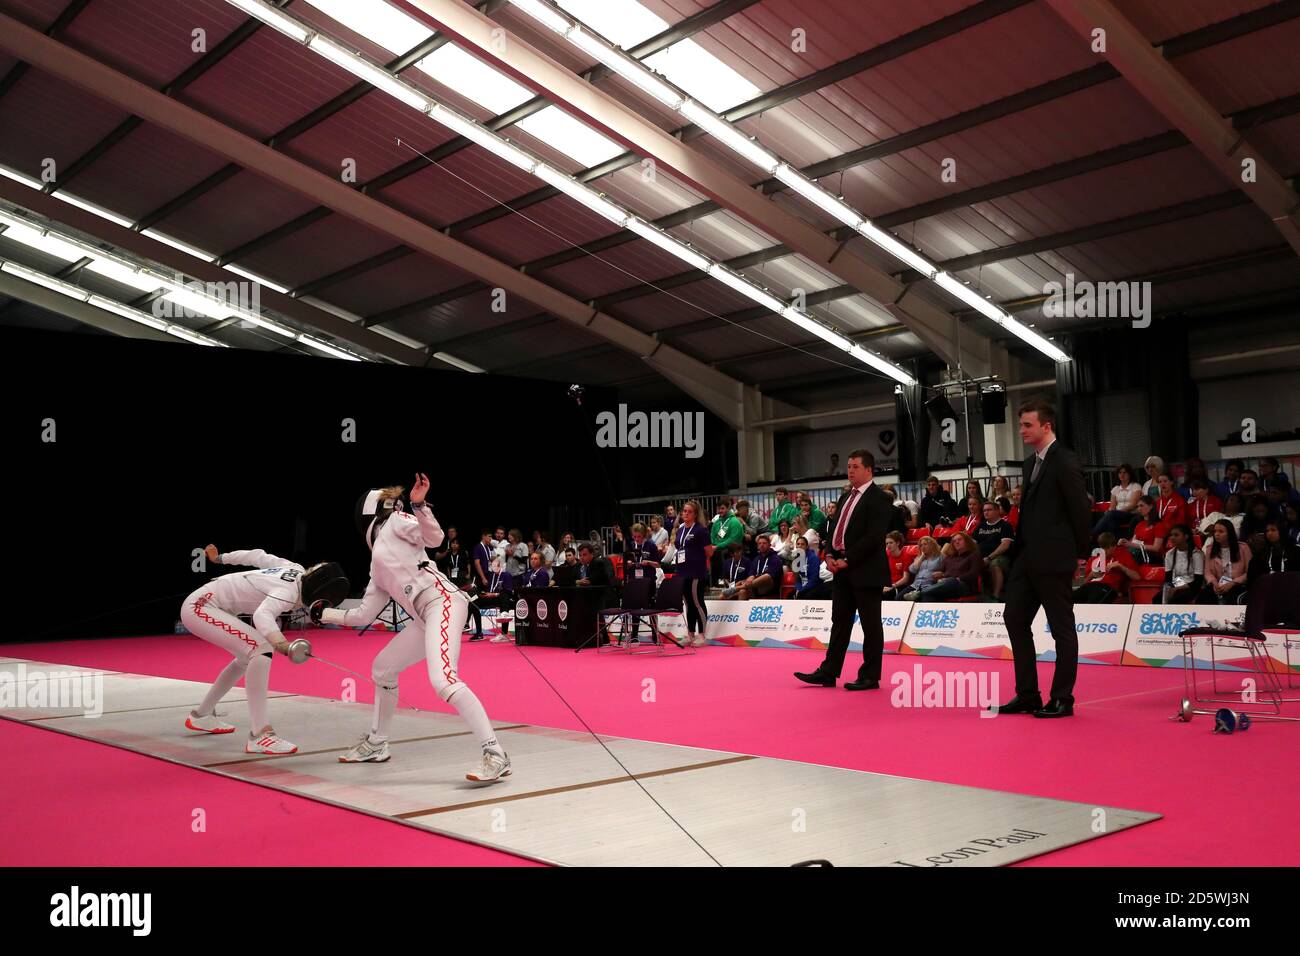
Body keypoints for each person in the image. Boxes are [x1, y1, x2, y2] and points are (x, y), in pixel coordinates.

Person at [321, 477, 509, 781]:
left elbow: (434, 539)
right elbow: (364, 613)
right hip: (425, 618)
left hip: (443, 602)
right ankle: (377, 743)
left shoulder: (396, 520)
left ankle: (495, 753)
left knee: (444, 680)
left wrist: (420, 506)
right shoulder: (377, 566)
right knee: (382, 668)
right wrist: (324, 613)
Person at [181, 545, 349, 754]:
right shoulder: (288, 593)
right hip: (200, 607)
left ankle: (202, 715)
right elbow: (261, 616)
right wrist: (281, 644)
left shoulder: (294, 568)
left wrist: (221, 558)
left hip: (208, 604)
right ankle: (260, 735)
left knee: (246, 658)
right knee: (261, 649)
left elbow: (257, 555)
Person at [995, 399, 1090, 719]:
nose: (1021, 430)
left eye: (1027, 425)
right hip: (1027, 558)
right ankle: (1027, 695)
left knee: (1062, 628)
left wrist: (1080, 555)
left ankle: (1063, 698)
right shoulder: (1029, 463)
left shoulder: (1065, 461)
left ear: (1046, 426)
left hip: (1055, 558)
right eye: (1021, 424)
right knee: (1014, 618)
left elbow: (1080, 510)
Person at [795, 449, 895, 690]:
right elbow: (835, 531)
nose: (850, 470)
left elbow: (874, 537)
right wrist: (829, 554)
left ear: (869, 470)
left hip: (865, 569)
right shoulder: (844, 498)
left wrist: (848, 559)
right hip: (840, 567)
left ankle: (870, 675)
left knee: (871, 624)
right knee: (839, 621)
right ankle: (829, 671)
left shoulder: (879, 498)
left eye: (855, 467)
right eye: (848, 466)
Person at [670, 500, 710, 647]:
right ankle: (690, 633)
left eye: (689, 512)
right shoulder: (680, 529)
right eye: (684, 511)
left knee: (697, 602)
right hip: (682, 571)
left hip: (696, 572)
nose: (685, 514)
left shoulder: (701, 530)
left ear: (695, 514)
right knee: (688, 604)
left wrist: (696, 558)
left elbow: (709, 551)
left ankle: (702, 635)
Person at [909, 531, 983, 601]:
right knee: (929, 595)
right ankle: (927, 612)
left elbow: (974, 573)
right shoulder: (949, 557)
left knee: (951, 580)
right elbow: (941, 573)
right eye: (954, 541)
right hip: (947, 586)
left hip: (965, 586)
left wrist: (958, 579)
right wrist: (939, 577)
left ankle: (920, 592)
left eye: (959, 540)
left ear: (967, 541)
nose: (956, 542)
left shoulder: (974, 555)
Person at [1072, 532, 1139, 603]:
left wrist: (1121, 567)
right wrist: (1091, 575)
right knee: (1069, 600)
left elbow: (1137, 577)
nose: (1104, 551)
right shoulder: (1093, 559)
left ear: (1114, 546)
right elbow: (1081, 584)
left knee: (1092, 602)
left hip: (1106, 587)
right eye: (1102, 548)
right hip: (1089, 586)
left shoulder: (1124, 555)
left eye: (1107, 548)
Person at [1199, 519, 1251, 605]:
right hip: (1218, 584)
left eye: (1221, 531)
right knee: (1204, 596)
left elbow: (1249, 572)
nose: (1216, 534)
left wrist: (1233, 583)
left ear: (1229, 533)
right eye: (1215, 531)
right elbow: (1207, 572)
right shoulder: (1210, 549)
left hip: (1237, 585)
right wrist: (1214, 583)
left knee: (1232, 597)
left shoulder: (1243, 548)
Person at [973, 499, 1015, 598]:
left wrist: (989, 558)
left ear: (997, 511)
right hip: (981, 557)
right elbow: (973, 544)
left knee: (995, 564)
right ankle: (978, 595)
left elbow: (1005, 545)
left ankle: (996, 596)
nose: (986, 512)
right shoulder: (980, 527)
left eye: (989, 510)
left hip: (1001, 556)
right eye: (984, 511)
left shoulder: (1005, 525)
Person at [467, 555, 514, 642]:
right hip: (491, 597)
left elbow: (508, 591)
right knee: (474, 600)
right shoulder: (491, 575)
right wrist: (485, 594)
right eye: (491, 564)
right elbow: (489, 589)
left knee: (504, 597)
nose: (493, 566)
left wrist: (494, 594)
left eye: (495, 564)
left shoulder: (506, 575)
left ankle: (504, 633)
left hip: (502, 598)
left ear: (500, 565)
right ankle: (477, 632)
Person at [1156, 524, 1204, 604]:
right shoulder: (1169, 554)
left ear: (1186, 537)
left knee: (1175, 600)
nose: (1172, 538)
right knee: (1157, 599)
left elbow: (1198, 581)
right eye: (1171, 535)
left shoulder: (1197, 554)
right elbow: (1168, 578)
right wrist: (1168, 589)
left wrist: (1177, 589)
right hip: (1176, 584)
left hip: (1192, 586)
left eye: (1176, 535)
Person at [1093, 464, 1142, 537]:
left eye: (1124, 472)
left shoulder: (1135, 486)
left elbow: (1133, 505)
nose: (1122, 475)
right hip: (1116, 514)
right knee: (1100, 515)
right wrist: (1108, 511)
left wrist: (1117, 511)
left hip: (1130, 514)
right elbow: (1112, 506)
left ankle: (1093, 534)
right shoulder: (1115, 489)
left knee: (1112, 515)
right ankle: (1108, 541)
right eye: (1120, 472)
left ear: (1129, 474)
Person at [888, 535, 943, 600]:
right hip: (915, 585)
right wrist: (922, 557)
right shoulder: (918, 558)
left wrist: (941, 574)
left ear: (932, 545)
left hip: (929, 585)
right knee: (898, 598)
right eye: (921, 545)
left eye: (925, 544)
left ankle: (916, 595)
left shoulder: (939, 558)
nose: (923, 547)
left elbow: (944, 570)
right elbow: (912, 570)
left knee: (925, 598)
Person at [1246, 521, 1296, 588]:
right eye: (1267, 531)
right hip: (1266, 589)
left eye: (1273, 530)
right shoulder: (1261, 554)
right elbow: (1252, 577)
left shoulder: (1295, 551)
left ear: (1282, 531)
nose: (1269, 533)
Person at [1118, 496, 1167, 564]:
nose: (1139, 509)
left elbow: (1156, 548)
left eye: (1141, 506)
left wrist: (1135, 545)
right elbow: (1133, 543)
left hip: (1151, 557)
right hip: (1138, 555)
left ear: (1151, 506)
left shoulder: (1158, 525)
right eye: (1138, 506)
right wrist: (1124, 542)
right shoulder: (1139, 525)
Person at [710, 499, 744, 582]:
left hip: (732, 547)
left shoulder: (734, 521)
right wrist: (714, 545)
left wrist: (717, 546)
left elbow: (732, 539)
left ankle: (722, 578)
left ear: (728, 508)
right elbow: (712, 536)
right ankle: (712, 581)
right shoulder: (717, 522)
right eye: (718, 509)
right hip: (718, 547)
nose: (720, 511)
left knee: (720, 553)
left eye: (722, 508)